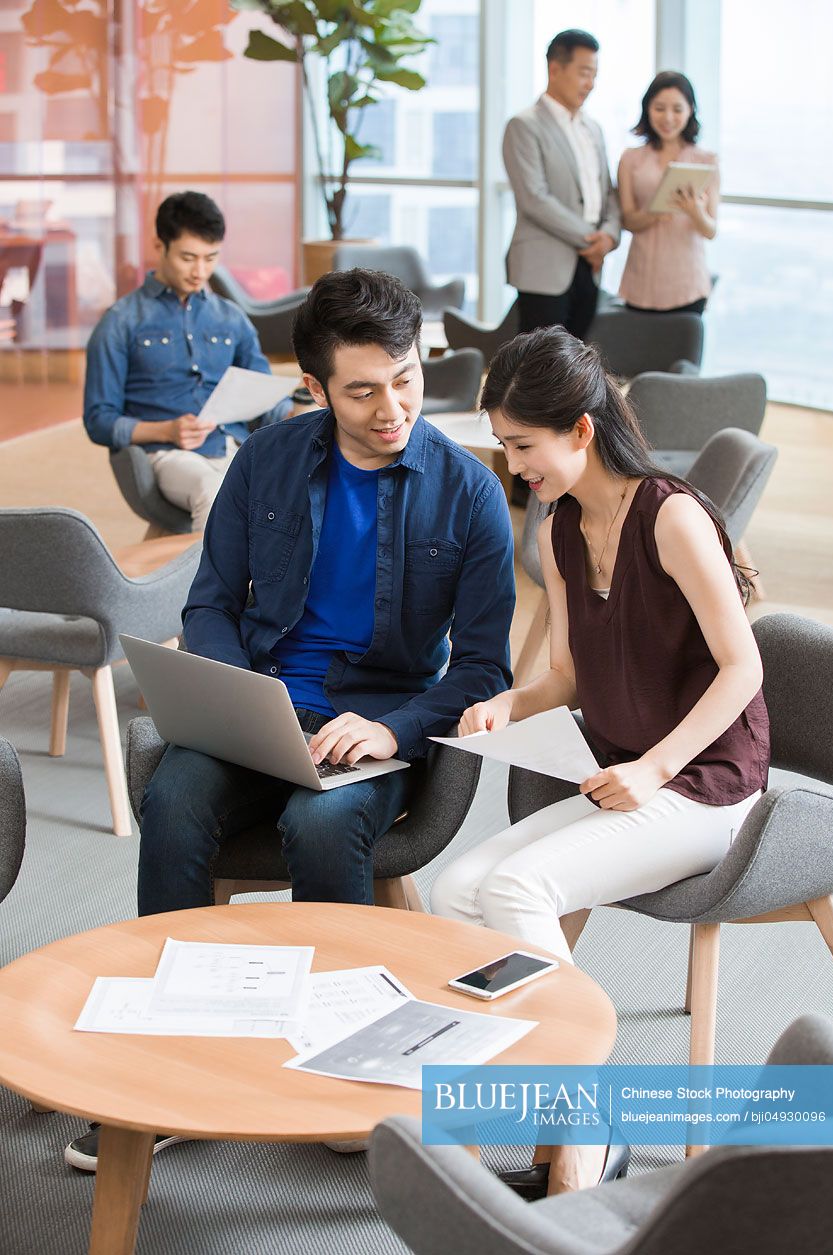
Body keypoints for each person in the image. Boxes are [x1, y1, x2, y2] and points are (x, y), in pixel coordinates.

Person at [63, 268, 517, 1172]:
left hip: (381, 723)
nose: (392, 406)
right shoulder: (266, 461)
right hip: (265, 705)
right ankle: (176, 1065)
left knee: (319, 822)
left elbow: (480, 666)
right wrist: (239, 698)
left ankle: (343, 1075)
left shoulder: (467, 493)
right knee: (176, 798)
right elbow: (213, 603)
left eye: (405, 379)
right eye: (362, 389)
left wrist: (392, 728)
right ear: (314, 387)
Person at [431, 325, 769, 1195]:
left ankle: (583, 1139)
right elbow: (570, 676)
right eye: (503, 447)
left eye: (522, 446)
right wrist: (512, 701)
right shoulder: (561, 529)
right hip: (623, 776)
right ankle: (558, 1115)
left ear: (580, 430)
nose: (513, 468)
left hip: (704, 786)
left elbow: (743, 669)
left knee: (512, 889)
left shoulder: (674, 516)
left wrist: (657, 767)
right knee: (456, 886)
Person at [83, 190, 289, 532]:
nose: (200, 271)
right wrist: (166, 430)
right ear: (159, 245)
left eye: (211, 258)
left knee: (289, 490)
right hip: (167, 454)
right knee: (213, 491)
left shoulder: (232, 319)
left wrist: (291, 410)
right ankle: (214, 587)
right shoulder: (121, 321)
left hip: (232, 446)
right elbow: (99, 420)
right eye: (188, 257)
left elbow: (264, 397)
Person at [502, 29, 621, 338]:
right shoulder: (524, 125)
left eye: (594, 75)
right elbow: (534, 198)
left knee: (577, 366)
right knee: (541, 368)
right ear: (555, 69)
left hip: (590, 267)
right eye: (584, 73)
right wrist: (591, 241)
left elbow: (608, 194)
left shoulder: (593, 129)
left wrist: (608, 237)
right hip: (545, 267)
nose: (590, 84)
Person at [617, 71, 718, 314]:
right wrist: (655, 211)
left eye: (677, 109)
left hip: (687, 283)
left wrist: (695, 211)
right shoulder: (631, 159)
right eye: (659, 108)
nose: (668, 117)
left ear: (690, 110)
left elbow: (710, 230)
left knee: (684, 350)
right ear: (647, 108)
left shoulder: (706, 161)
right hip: (641, 281)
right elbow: (628, 220)